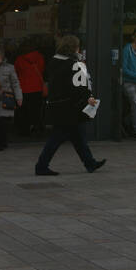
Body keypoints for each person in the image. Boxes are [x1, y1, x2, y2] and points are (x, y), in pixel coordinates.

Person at [35, 34, 106, 175]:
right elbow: (79, 85)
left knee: (77, 136)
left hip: (57, 104)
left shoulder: (54, 62)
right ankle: (41, 166)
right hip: (70, 107)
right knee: (58, 137)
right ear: (75, 48)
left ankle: (90, 162)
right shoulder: (74, 64)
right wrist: (88, 98)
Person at [14, 43, 47, 137]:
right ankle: (38, 128)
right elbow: (43, 69)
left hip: (23, 88)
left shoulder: (19, 59)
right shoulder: (40, 57)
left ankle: (24, 131)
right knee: (36, 110)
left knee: (23, 111)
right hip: (37, 88)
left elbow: (16, 72)